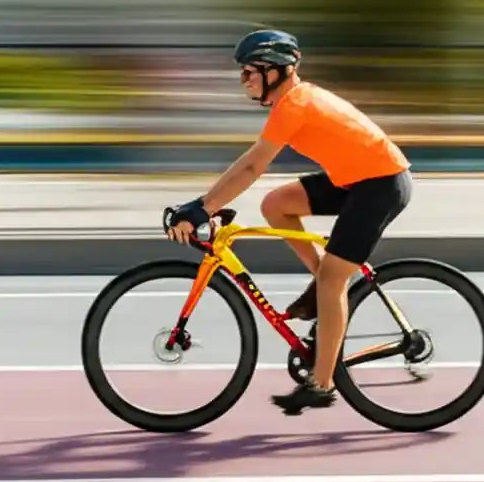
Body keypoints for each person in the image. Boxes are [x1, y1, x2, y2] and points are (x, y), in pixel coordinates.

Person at [164, 27, 413, 414]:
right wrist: (206, 204)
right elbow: (251, 168)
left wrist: (202, 208)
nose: (243, 81)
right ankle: (321, 288)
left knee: (335, 278)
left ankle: (322, 384)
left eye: (249, 72)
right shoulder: (292, 102)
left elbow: (251, 166)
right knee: (276, 204)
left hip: (380, 184)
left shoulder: (295, 104)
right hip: (355, 178)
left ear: (274, 70)